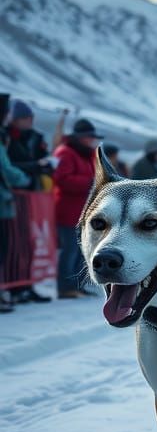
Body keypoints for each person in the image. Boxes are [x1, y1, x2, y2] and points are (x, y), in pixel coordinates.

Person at [4, 98, 53, 303]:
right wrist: (35, 165)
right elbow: (10, 166)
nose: (29, 121)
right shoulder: (7, 138)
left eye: (30, 117)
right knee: (13, 245)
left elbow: (45, 160)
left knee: (29, 243)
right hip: (12, 196)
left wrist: (46, 166)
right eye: (24, 118)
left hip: (32, 197)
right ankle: (14, 288)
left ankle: (26, 285)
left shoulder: (36, 137)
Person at [53, 118, 103, 298]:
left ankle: (76, 285)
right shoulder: (65, 153)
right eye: (89, 137)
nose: (92, 140)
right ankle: (65, 287)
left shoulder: (87, 154)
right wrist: (90, 183)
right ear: (80, 137)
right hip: (68, 210)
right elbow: (62, 179)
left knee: (81, 250)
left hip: (83, 211)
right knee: (70, 250)